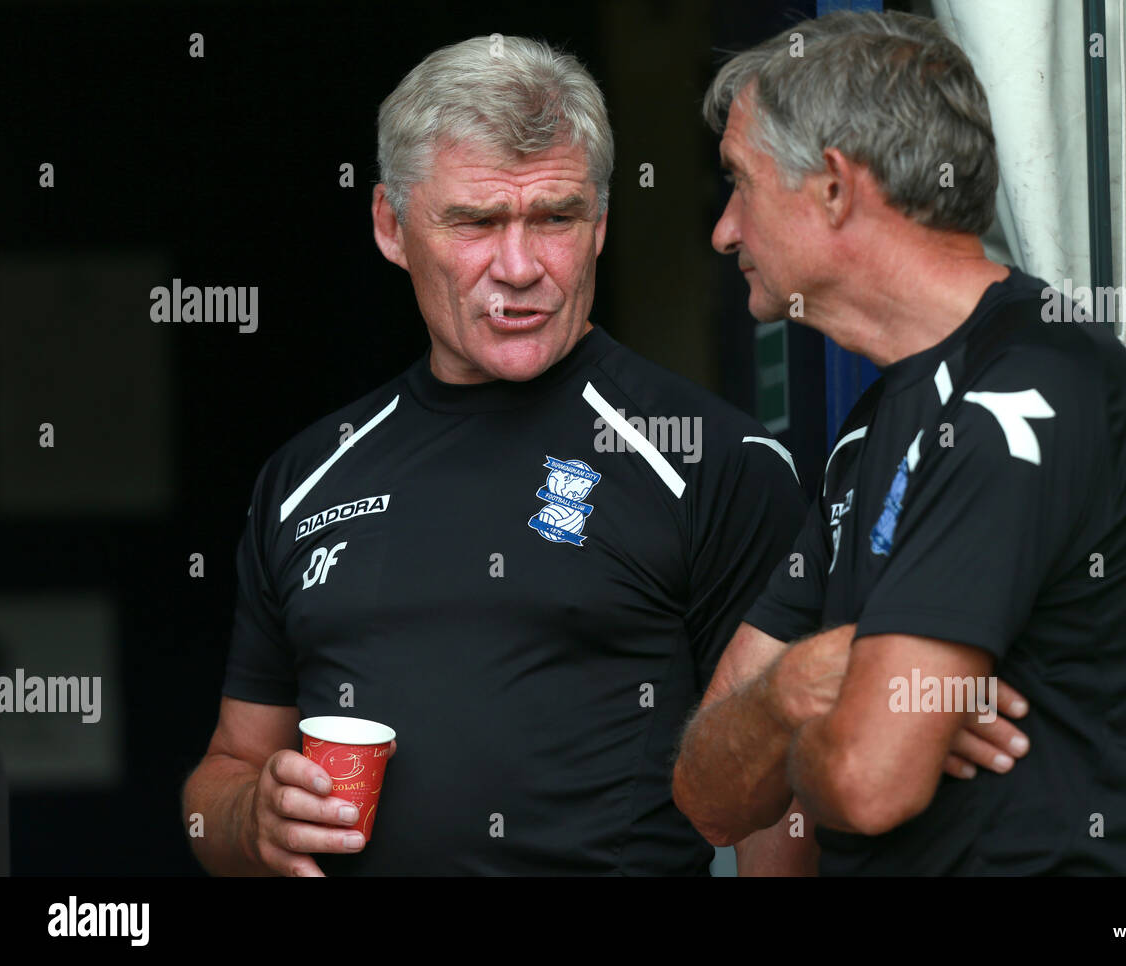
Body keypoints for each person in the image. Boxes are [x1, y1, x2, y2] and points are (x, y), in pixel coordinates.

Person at [182, 32, 1026, 877]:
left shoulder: (711, 460)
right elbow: (223, 774)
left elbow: (782, 792)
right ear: (390, 227)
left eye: (555, 217)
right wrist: (250, 818)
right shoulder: (305, 475)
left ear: (601, 225)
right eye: (475, 222)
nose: (519, 267)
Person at [673, 10, 1126, 875]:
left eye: (740, 181)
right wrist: (801, 692)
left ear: (834, 188)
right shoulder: (870, 428)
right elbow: (708, 798)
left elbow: (871, 778)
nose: (726, 229)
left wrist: (805, 735)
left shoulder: (1034, 386)